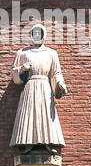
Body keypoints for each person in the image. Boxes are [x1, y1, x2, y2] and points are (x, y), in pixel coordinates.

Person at [9, 22, 67, 156]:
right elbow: (13, 72)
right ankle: (28, 142)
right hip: (30, 86)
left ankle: (49, 141)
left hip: (45, 86)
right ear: (31, 35)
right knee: (29, 113)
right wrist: (23, 68)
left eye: (38, 33)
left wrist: (60, 84)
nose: (36, 35)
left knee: (46, 113)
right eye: (33, 33)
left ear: (43, 35)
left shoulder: (52, 53)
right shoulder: (22, 53)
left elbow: (56, 73)